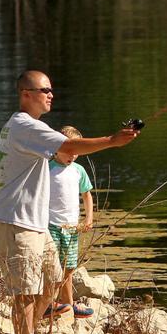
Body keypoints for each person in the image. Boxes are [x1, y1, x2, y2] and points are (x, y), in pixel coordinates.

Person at [0, 70, 139, 334]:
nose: (50, 94)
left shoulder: (30, 127)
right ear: (25, 94)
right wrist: (112, 140)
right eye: (44, 90)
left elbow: (62, 148)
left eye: (51, 89)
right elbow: (69, 147)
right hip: (16, 222)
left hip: (33, 223)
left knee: (53, 282)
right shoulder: (25, 126)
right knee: (25, 293)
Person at [48, 125, 95, 320]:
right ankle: (49, 302)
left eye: (76, 152)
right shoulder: (47, 167)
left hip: (71, 227)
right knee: (51, 266)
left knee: (69, 266)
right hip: (50, 224)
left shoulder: (78, 170)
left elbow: (87, 194)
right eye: (68, 151)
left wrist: (89, 217)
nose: (72, 156)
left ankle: (68, 303)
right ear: (56, 147)